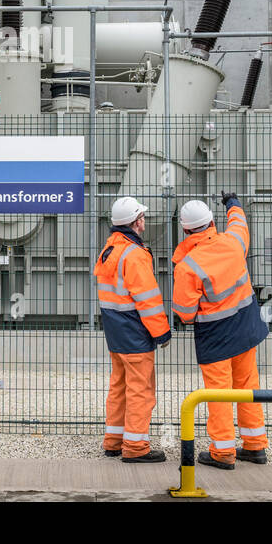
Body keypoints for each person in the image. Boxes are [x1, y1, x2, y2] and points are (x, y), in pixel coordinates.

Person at [170, 193, 269, 468]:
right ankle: (255, 446)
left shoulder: (188, 267)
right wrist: (232, 203)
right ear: (212, 222)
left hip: (216, 338)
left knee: (219, 394)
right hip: (246, 330)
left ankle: (223, 452)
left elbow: (185, 314)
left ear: (185, 229)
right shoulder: (234, 241)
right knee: (248, 387)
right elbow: (239, 222)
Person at [96, 196, 172, 463]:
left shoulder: (110, 249)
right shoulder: (135, 255)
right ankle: (136, 447)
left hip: (115, 334)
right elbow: (148, 300)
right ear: (136, 222)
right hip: (134, 333)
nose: (144, 221)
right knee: (141, 390)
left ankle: (114, 441)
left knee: (119, 387)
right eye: (142, 217)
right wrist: (162, 333)